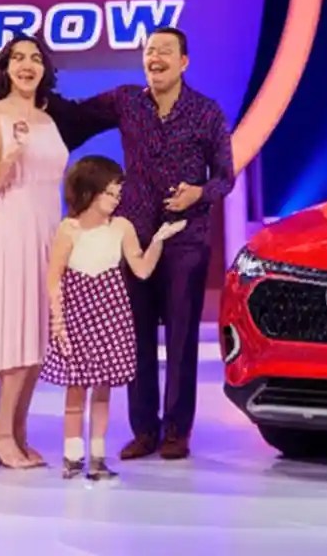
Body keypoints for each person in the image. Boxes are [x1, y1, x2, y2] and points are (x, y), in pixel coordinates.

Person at [46, 26, 234, 460]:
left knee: (183, 336)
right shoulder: (127, 101)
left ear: (184, 62)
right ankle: (144, 430)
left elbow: (226, 176)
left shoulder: (206, 112)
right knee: (137, 335)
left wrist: (198, 193)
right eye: (149, 51)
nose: (156, 58)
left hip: (186, 238)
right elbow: (74, 118)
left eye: (165, 51)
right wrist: (32, 91)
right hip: (134, 234)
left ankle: (176, 431)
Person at [41, 156, 186, 479]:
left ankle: (97, 457)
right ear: (89, 192)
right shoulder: (69, 229)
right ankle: (72, 456)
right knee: (76, 390)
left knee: (103, 391)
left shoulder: (122, 228)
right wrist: (57, 321)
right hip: (77, 315)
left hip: (110, 315)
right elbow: (53, 278)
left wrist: (160, 240)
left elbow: (142, 268)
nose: (116, 199)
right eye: (109, 192)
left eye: (117, 193)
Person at [0, 35, 70, 469]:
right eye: (18, 58)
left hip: (49, 229)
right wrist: (9, 156)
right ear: (6, 68)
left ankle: (18, 431)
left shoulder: (49, 120)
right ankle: (0, 431)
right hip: (13, 229)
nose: (27, 65)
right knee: (17, 331)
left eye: (35, 58)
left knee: (37, 335)